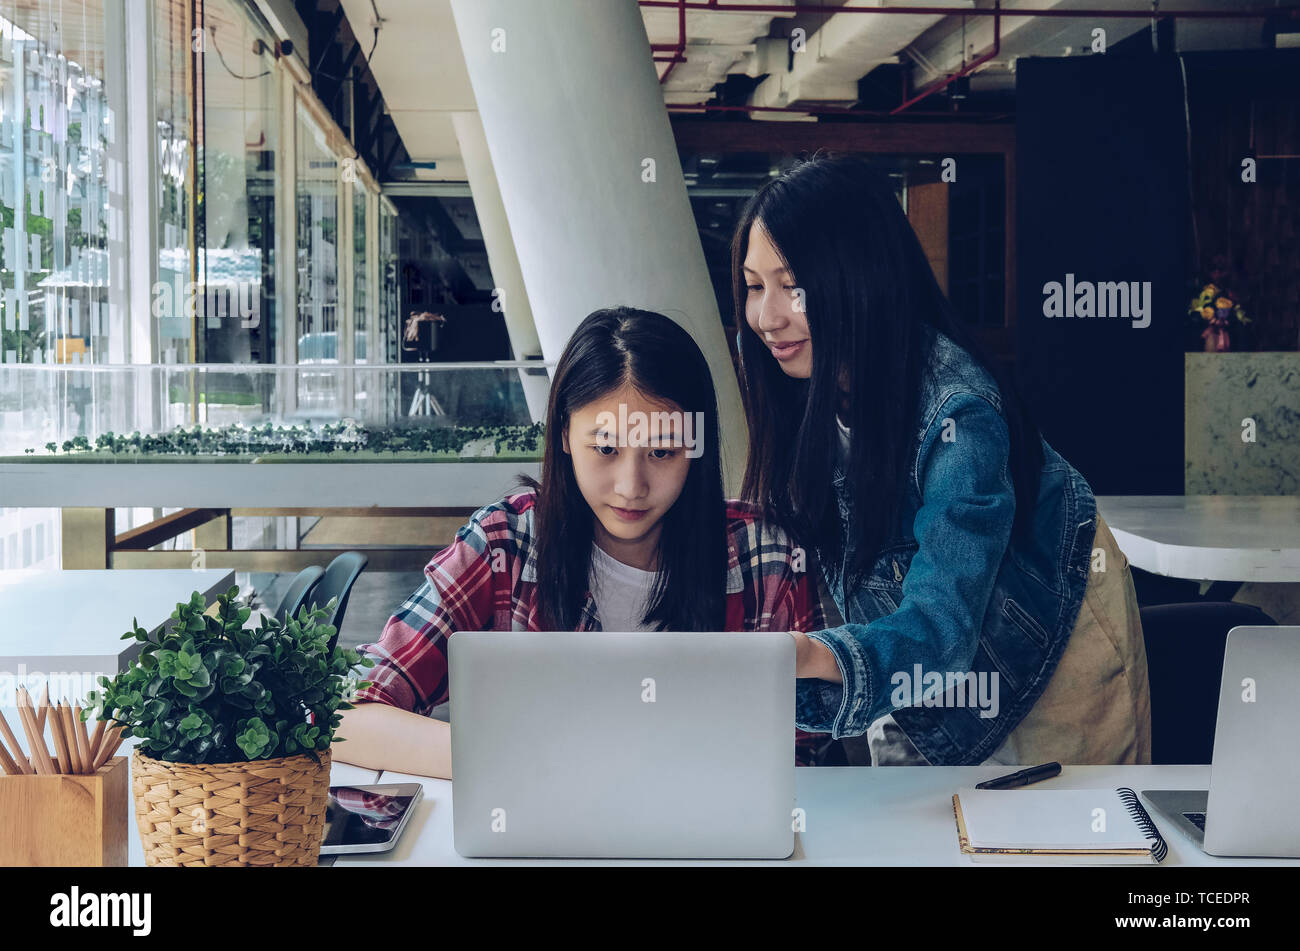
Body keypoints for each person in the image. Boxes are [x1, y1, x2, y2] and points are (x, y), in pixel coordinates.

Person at [735, 154, 1151, 766]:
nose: (767, 317)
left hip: (1050, 643)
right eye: (754, 285)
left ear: (863, 278)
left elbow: (941, 627)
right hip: (923, 658)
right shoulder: (803, 382)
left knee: (1059, 824)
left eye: (792, 285)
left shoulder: (958, 415)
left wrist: (812, 655)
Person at [333, 307, 831, 778]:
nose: (631, 486)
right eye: (606, 448)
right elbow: (346, 714)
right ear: (564, 435)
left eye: (662, 452)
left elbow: (802, 756)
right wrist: (515, 762)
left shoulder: (766, 556)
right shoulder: (504, 545)